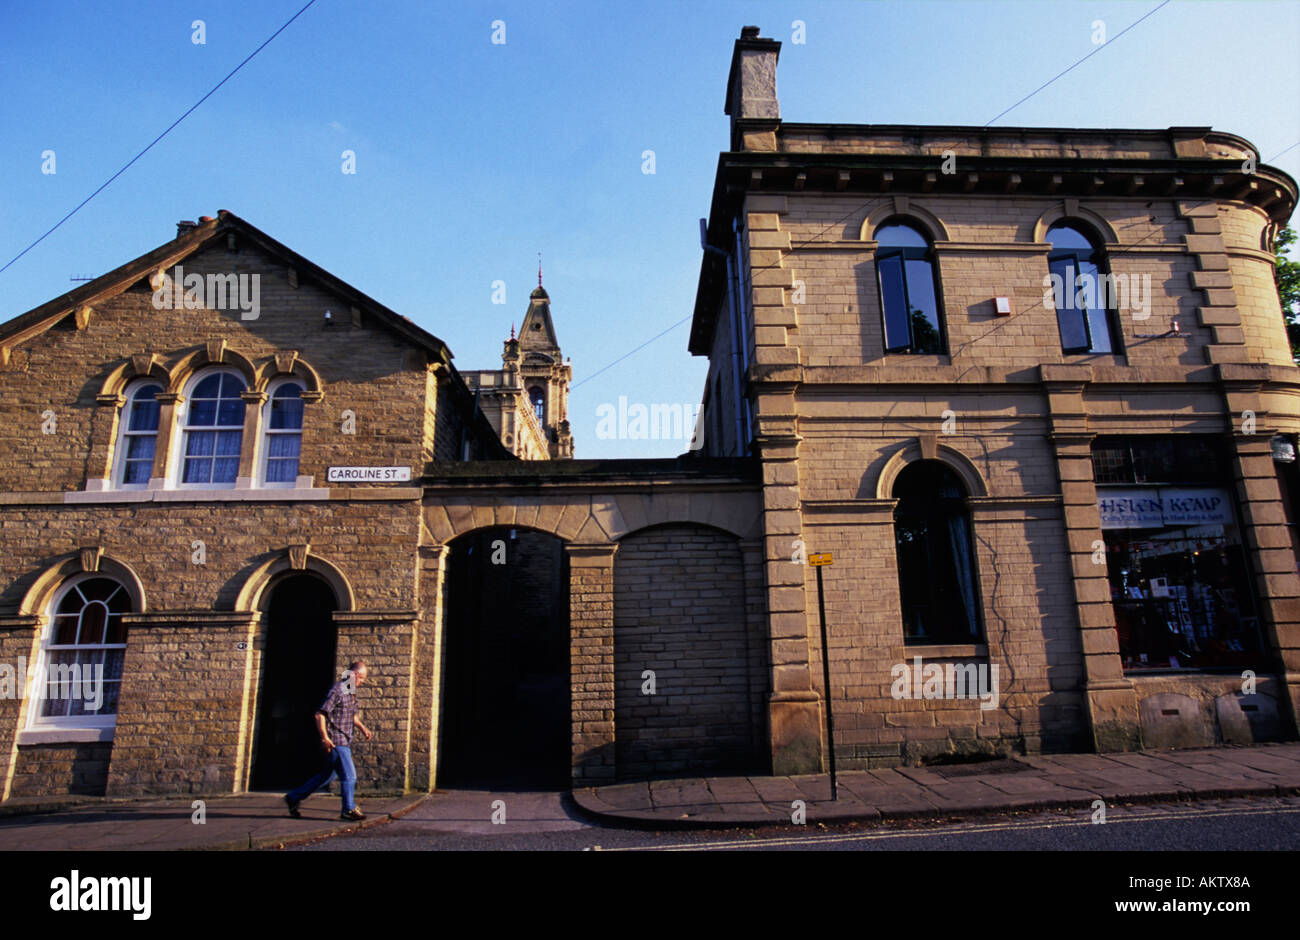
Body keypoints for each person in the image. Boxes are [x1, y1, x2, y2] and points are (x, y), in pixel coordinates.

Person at [284, 660, 373, 820]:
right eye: (361, 677)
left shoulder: (350, 690)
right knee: (349, 776)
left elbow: (351, 715)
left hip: (345, 740)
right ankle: (348, 809)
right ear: (352, 675)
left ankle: (293, 797)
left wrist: (363, 728)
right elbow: (320, 714)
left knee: (327, 776)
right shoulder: (338, 690)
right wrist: (325, 737)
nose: (363, 681)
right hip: (335, 741)